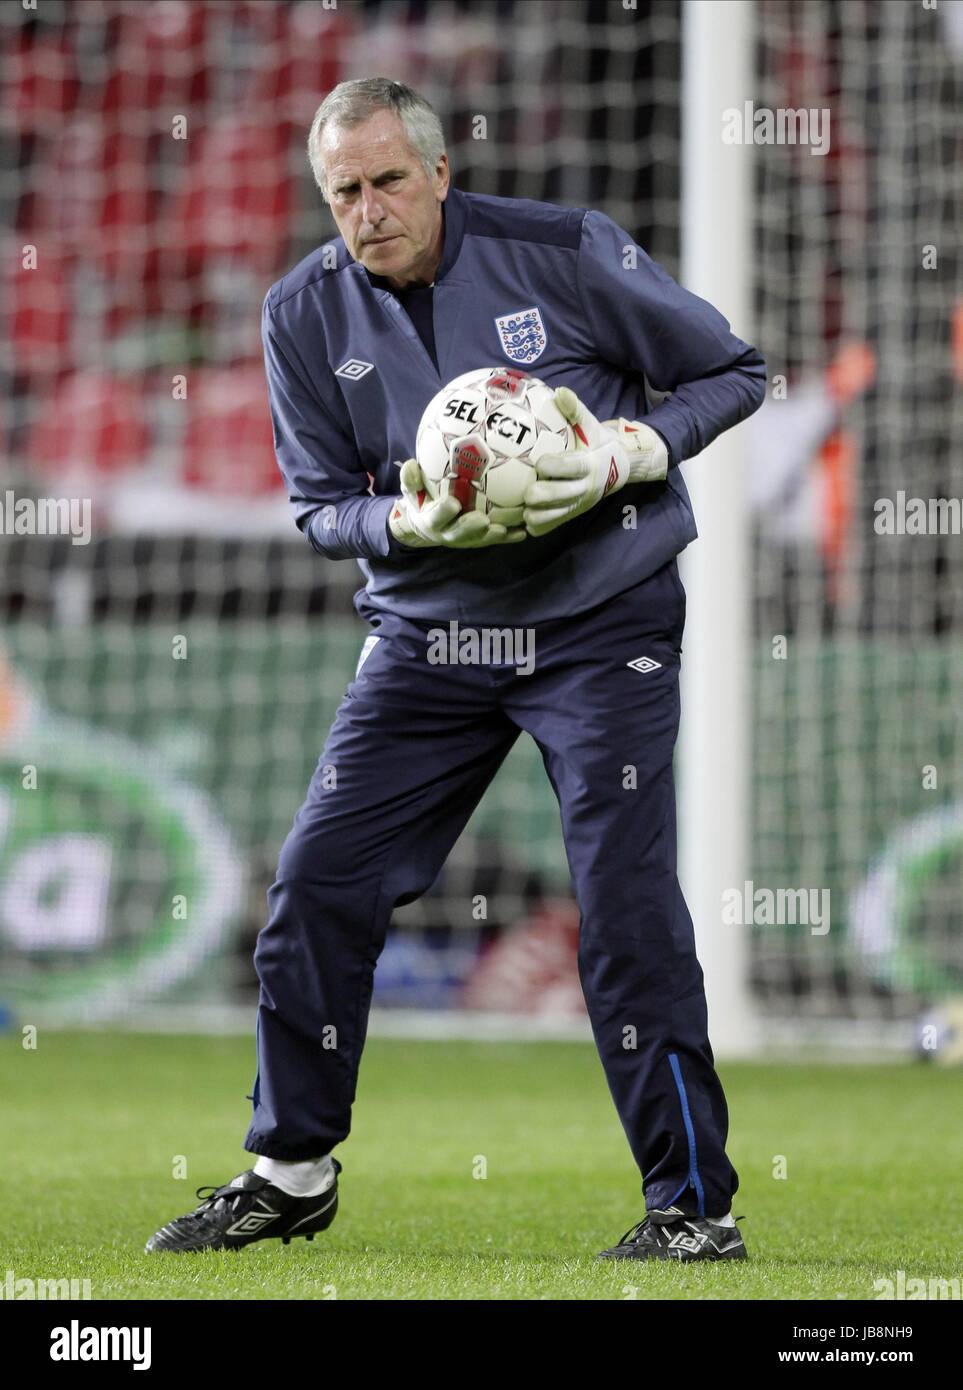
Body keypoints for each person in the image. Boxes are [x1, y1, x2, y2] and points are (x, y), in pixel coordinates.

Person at [147, 77, 766, 1261]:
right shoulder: (300, 315)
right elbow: (321, 509)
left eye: (388, 180)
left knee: (626, 906)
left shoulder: (565, 249)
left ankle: (693, 1205)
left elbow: (733, 372)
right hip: (429, 634)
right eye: (343, 192)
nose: (368, 209)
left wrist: (639, 444)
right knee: (316, 883)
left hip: (600, 621)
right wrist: (404, 527)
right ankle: (291, 1170)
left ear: (438, 173)